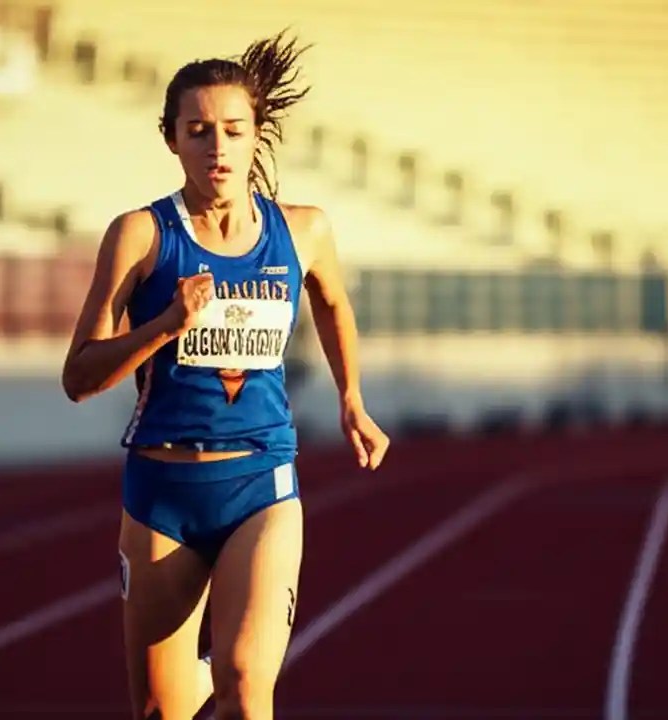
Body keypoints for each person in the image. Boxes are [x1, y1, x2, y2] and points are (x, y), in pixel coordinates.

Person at [61, 31, 390, 720]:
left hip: (260, 483)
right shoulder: (141, 237)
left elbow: (332, 302)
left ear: (255, 136)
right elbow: (80, 377)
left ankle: (231, 664)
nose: (217, 148)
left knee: (245, 681)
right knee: (160, 711)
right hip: (161, 492)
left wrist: (352, 399)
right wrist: (162, 328)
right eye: (199, 131)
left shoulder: (302, 231)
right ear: (172, 139)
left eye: (233, 131)